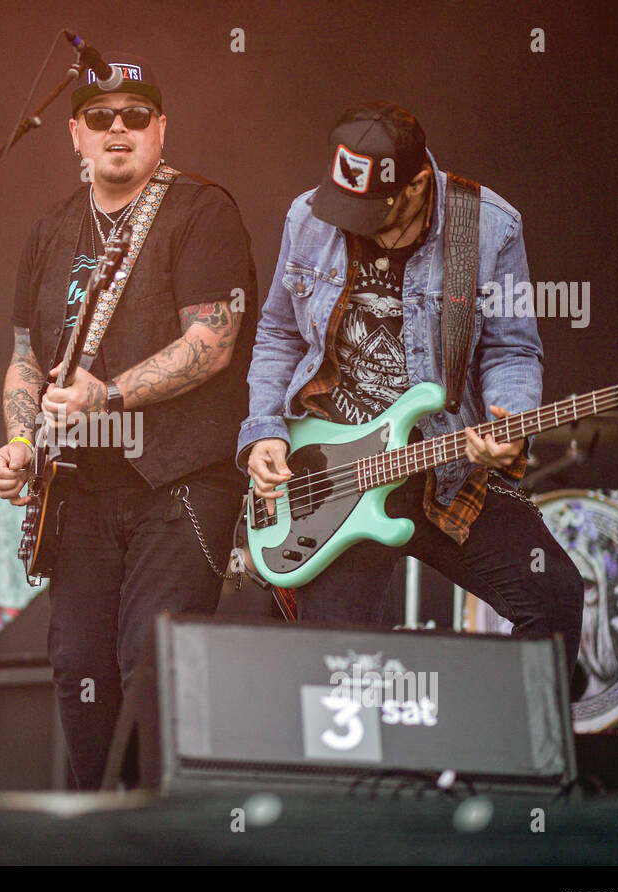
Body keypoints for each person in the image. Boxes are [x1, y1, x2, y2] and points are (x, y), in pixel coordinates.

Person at [0, 53, 258, 789]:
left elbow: (212, 343)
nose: (118, 129)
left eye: (136, 117)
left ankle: (154, 832)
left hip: (178, 481)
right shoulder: (50, 229)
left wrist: (105, 398)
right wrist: (18, 442)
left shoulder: (202, 212)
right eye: (100, 118)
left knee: (152, 662)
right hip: (77, 487)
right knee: (78, 665)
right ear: (74, 133)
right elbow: (23, 360)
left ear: (160, 130)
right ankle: (99, 830)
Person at [239, 102, 583, 677]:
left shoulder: (488, 225)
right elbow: (277, 334)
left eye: (372, 213)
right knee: (340, 667)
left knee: (553, 597)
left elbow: (512, 349)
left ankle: (511, 756)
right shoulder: (307, 217)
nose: (352, 224)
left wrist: (510, 425)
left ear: (419, 184)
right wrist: (264, 431)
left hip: (444, 466)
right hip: (328, 476)